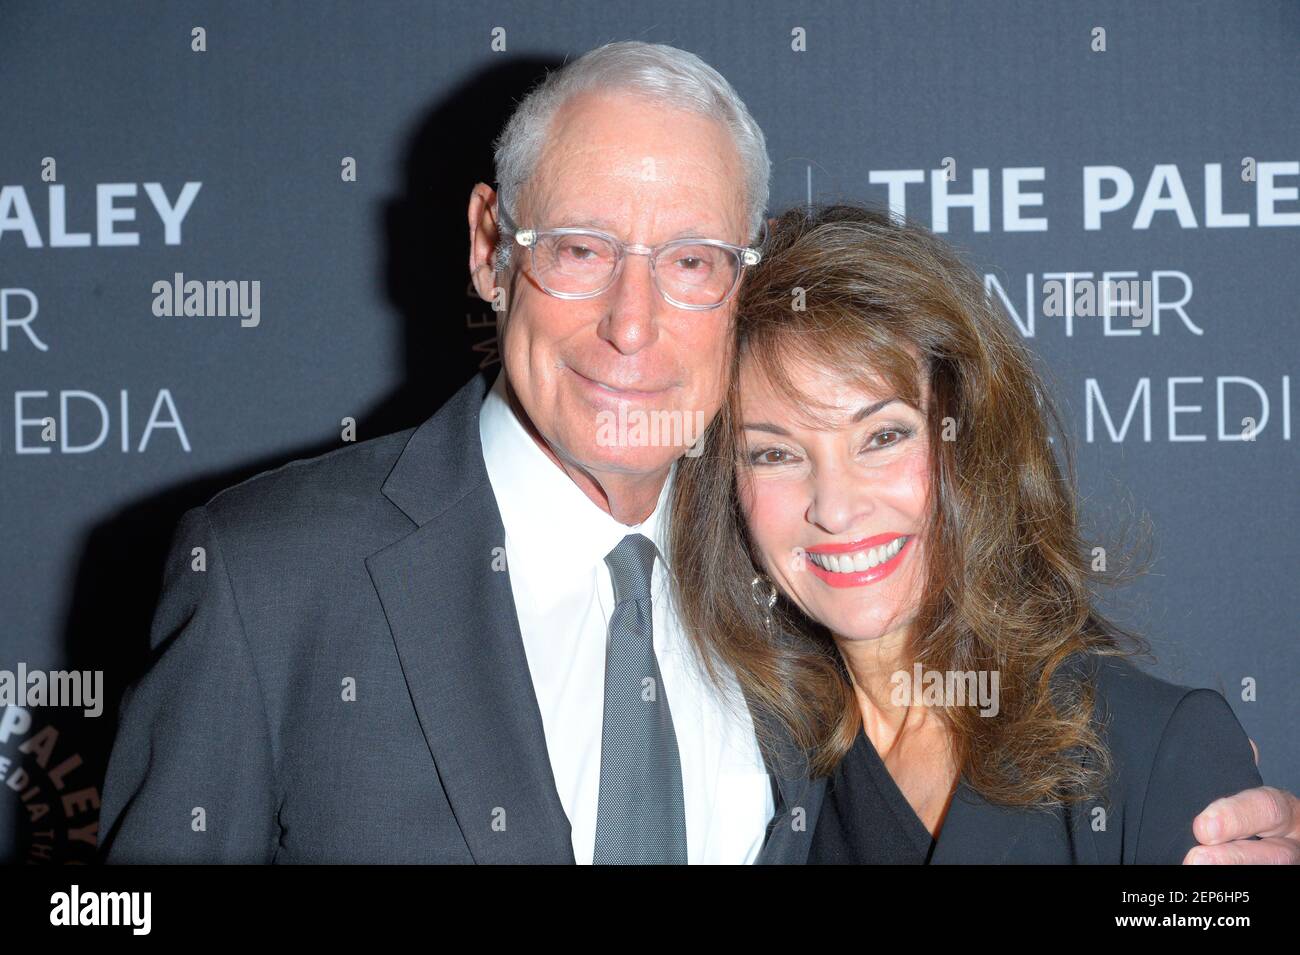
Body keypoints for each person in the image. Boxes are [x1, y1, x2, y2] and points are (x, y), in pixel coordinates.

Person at [98, 42, 1298, 865]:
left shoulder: (796, 611)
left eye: (687, 261)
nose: (633, 325)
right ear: (488, 246)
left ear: (742, 274)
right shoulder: (269, 576)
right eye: (578, 249)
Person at [669, 202, 1284, 863]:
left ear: (969, 445)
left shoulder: (1151, 748)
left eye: (882, 436)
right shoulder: (739, 765)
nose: (836, 507)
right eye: (775, 453)